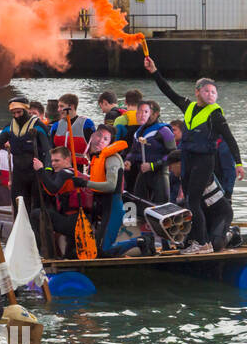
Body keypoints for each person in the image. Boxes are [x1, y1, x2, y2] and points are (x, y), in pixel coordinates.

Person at [144, 57, 244, 253]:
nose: (210, 94)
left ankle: (203, 243)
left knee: (193, 201)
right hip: (188, 159)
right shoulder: (188, 106)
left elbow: (230, 139)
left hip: (204, 160)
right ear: (197, 92)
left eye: (213, 92)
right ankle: (199, 240)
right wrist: (154, 71)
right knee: (190, 199)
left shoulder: (215, 114)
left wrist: (238, 163)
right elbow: (168, 91)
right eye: (206, 90)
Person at [82, 125, 139, 257]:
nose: (100, 140)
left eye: (105, 139)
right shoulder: (96, 159)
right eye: (99, 136)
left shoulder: (112, 158)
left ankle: (141, 241)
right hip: (105, 207)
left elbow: (111, 186)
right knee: (98, 247)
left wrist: (86, 183)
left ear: (110, 143)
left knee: (103, 250)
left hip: (114, 207)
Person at [165, 150, 237, 252]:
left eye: (171, 166)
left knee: (215, 245)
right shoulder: (183, 177)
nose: (170, 169)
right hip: (205, 215)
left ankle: (233, 233)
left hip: (221, 213)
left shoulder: (200, 173)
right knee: (185, 244)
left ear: (179, 163)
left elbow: (195, 201)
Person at [34, 146, 91, 258]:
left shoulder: (65, 173)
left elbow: (52, 189)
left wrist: (40, 170)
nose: (53, 164)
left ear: (67, 160)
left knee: (36, 214)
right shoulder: (74, 173)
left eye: (57, 160)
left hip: (73, 222)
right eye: (52, 161)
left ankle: (47, 255)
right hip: (80, 221)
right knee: (70, 256)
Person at [127, 100, 175, 209]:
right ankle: (142, 223)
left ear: (155, 114)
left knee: (161, 207)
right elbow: (133, 152)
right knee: (139, 204)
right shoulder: (138, 132)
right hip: (143, 173)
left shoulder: (165, 131)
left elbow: (172, 154)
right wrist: (129, 161)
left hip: (159, 174)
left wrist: (152, 165)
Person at [49, 94, 96, 173]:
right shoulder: (55, 126)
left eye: (61, 106)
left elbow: (93, 149)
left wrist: (93, 168)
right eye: (58, 106)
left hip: (78, 168)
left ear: (71, 106)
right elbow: (51, 148)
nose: (58, 109)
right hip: (58, 168)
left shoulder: (86, 124)